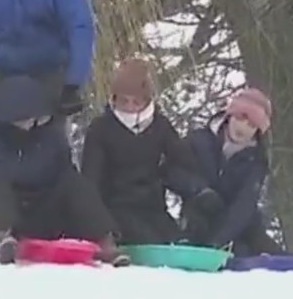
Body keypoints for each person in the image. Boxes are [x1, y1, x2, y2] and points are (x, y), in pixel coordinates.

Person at [0, 73, 131, 266]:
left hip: (41, 210)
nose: (30, 124)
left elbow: (66, 176)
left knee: (75, 184)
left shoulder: (50, 135)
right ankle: (3, 239)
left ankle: (104, 241)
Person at [81, 57, 221, 245]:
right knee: (149, 241)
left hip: (153, 207)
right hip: (116, 208)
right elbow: (91, 180)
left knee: (177, 242)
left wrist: (198, 191)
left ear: (147, 100)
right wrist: (100, 226)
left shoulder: (160, 126)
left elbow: (184, 162)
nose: (130, 108)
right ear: (114, 99)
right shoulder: (101, 128)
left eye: (136, 102)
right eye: (124, 101)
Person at [182, 87, 284, 258]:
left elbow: (244, 206)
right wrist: (199, 190)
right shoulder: (198, 140)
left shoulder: (256, 160)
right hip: (198, 218)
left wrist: (218, 242)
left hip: (240, 227)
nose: (243, 127)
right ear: (229, 115)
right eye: (240, 118)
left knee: (264, 255)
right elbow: (175, 172)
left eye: (251, 125)